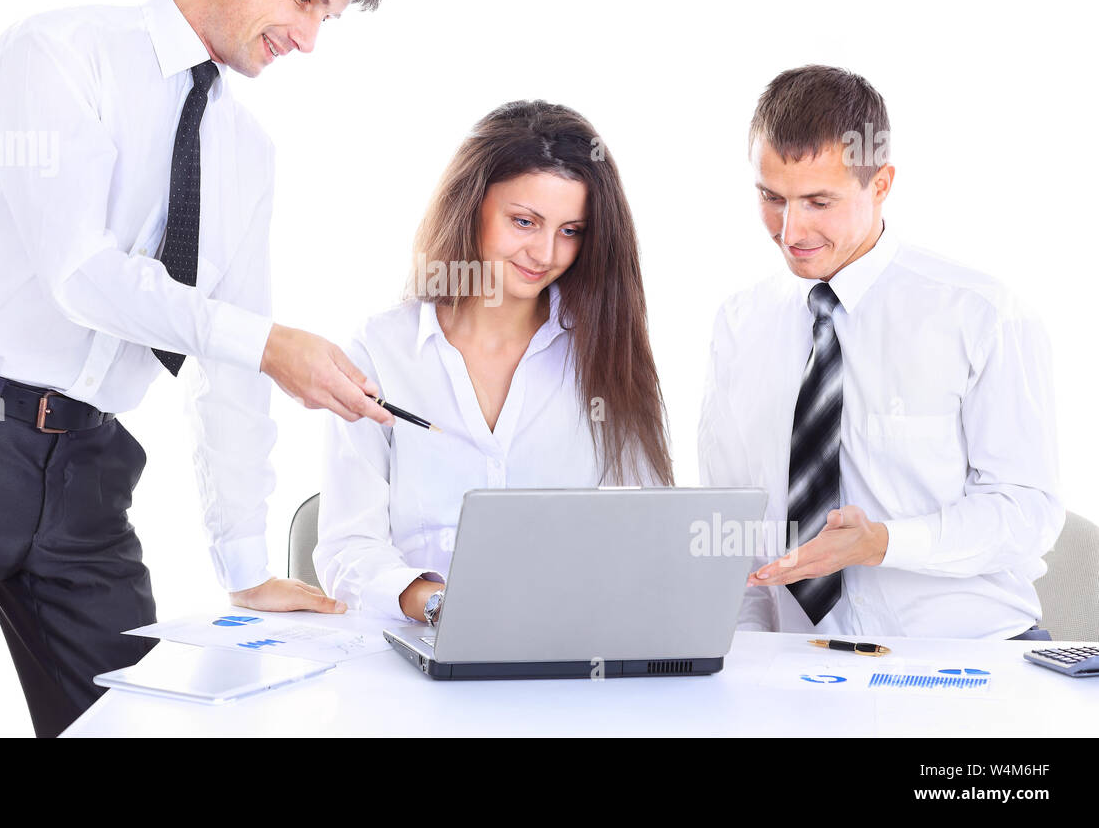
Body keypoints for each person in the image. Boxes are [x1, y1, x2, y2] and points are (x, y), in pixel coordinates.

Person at [0, 0, 396, 738]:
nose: (307, 37)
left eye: (323, 16)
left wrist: (247, 564)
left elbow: (228, 371)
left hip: (89, 472)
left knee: (140, 723)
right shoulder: (58, 54)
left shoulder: (247, 151)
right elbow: (83, 273)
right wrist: (264, 342)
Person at [699, 65, 1063, 639]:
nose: (791, 230)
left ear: (882, 184)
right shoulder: (740, 323)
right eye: (772, 198)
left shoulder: (980, 314)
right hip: (801, 666)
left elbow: (1027, 514)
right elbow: (729, 521)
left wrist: (884, 543)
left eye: (819, 201)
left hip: (968, 658)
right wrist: (742, 652)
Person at [314, 100, 674, 623]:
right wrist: (440, 606)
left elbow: (652, 529)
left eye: (571, 230)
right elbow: (347, 545)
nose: (546, 253)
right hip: (414, 651)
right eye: (524, 222)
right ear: (472, 205)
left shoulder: (604, 351)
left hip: (566, 652)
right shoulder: (381, 350)